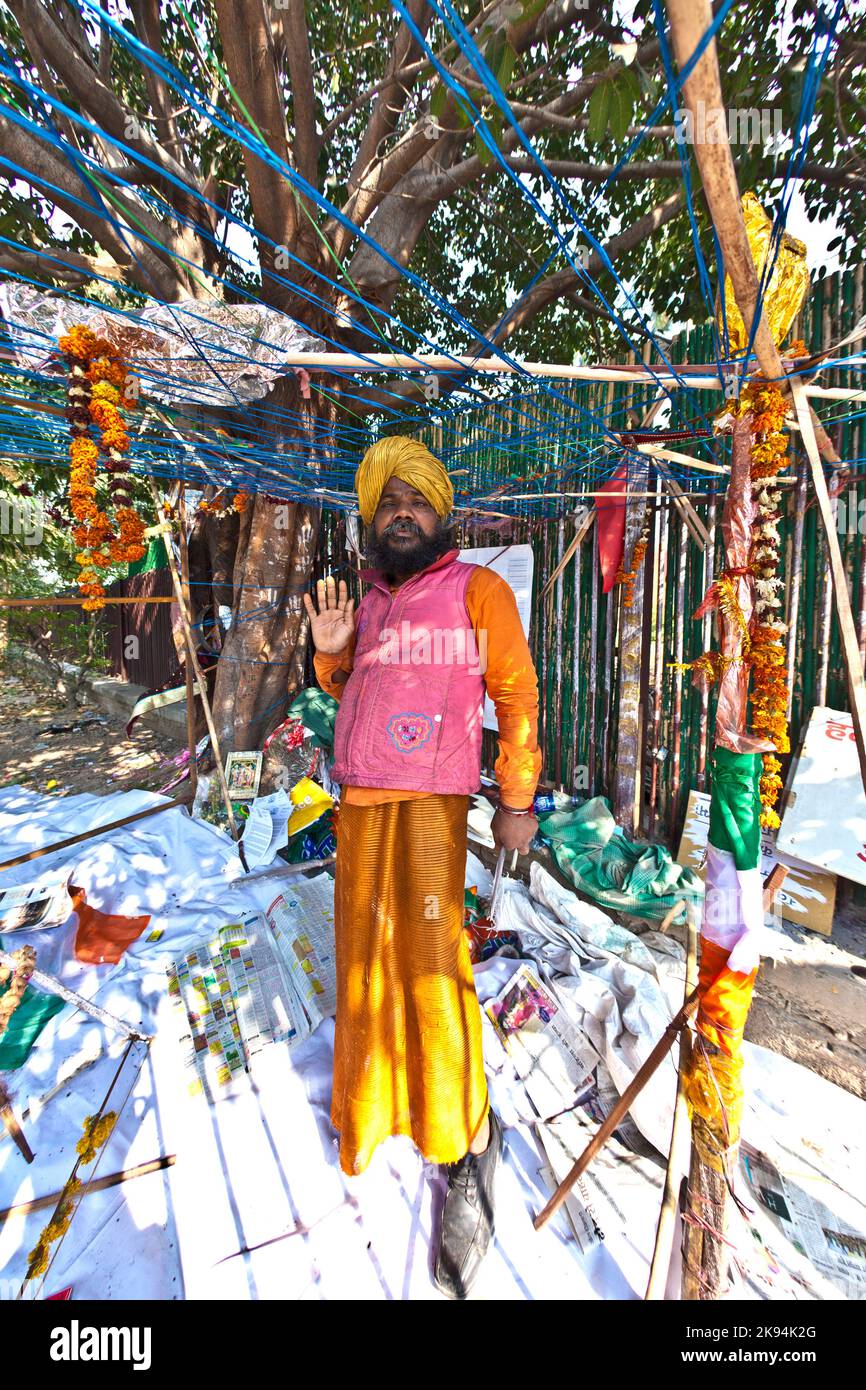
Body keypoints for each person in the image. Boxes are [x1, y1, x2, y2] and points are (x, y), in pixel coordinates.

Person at [303, 435, 540, 1299]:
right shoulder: (362, 597)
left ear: (443, 514)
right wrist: (330, 650)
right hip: (359, 801)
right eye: (388, 501)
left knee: (436, 973)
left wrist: (517, 796)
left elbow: (517, 694)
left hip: (434, 806)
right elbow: (347, 684)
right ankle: (373, 1111)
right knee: (366, 963)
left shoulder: (477, 590)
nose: (402, 511)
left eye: (418, 500)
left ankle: (465, 1143)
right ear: (372, 517)